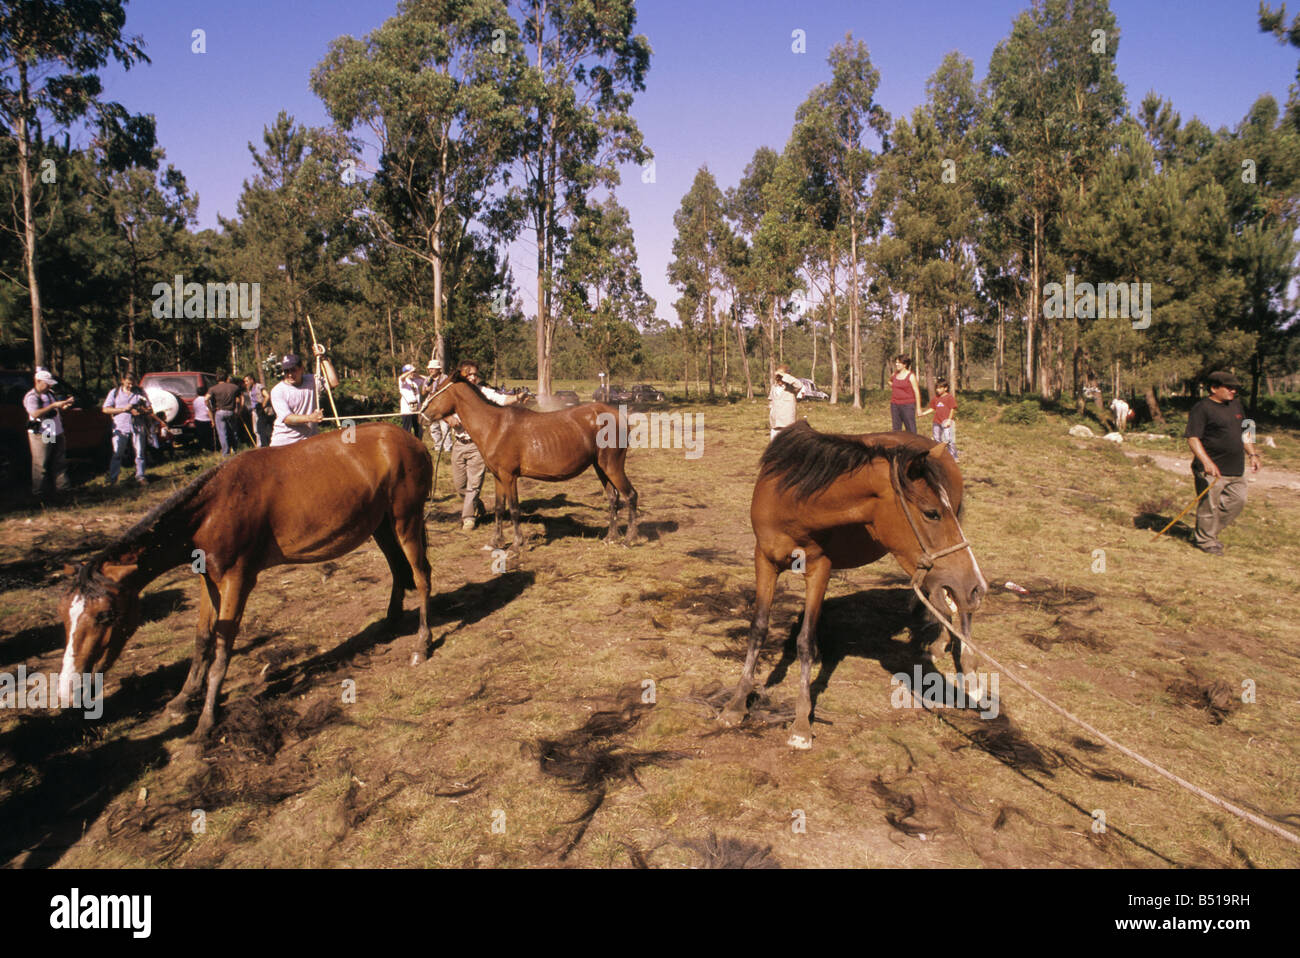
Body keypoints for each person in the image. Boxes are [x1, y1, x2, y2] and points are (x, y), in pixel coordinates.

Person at [1184, 370, 1260, 556]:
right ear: (1213, 388)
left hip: (1235, 468)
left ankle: (1205, 533)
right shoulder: (1202, 408)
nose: (1233, 391)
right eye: (1229, 387)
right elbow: (1193, 438)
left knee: (1237, 501)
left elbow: (1247, 429)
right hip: (1211, 469)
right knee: (1208, 505)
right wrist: (1207, 462)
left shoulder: (1236, 405)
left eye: (1235, 388)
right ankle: (1206, 541)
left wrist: (1253, 454)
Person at [447, 361, 525, 531]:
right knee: (460, 485)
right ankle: (477, 505)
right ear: (462, 375)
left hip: (478, 445)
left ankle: (468, 518)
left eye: (475, 374)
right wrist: (448, 419)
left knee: (474, 484)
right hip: (459, 444)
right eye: (469, 375)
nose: (473, 378)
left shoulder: (482, 392)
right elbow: (442, 408)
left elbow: (502, 399)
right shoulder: (455, 394)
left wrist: (518, 397)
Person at [24, 367, 73, 499]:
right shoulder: (31, 397)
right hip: (41, 432)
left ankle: (63, 490)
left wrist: (64, 405)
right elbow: (34, 413)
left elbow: (54, 410)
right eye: (47, 383)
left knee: (58, 461)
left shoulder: (50, 394)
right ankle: (39, 494)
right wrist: (53, 406)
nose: (49, 386)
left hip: (54, 429)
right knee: (41, 464)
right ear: (38, 381)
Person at [102, 370, 153, 485]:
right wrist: (123, 409)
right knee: (117, 453)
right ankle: (113, 479)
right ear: (122, 381)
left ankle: (140, 476)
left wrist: (140, 410)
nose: (130, 386)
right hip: (120, 426)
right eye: (128, 384)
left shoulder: (140, 392)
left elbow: (149, 409)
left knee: (140, 452)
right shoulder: (114, 392)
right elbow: (105, 409)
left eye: (132, 384)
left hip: (138, 426)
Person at [270, 354, 323, 446]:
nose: (290, 375)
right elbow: (287, 419)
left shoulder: (312, 380)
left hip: (308, 442)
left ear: (302, 369)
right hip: (284, 443)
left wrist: (323, 357)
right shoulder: (278, 390)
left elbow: (333, 381)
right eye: (286, 371)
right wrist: (310, 418)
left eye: (293, 370)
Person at [920, 377, 958, 461]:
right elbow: (933, 408)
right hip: (936, 422)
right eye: (937, 388)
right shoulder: (936, 398)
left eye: (940, 388)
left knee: (949, 440)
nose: (938, 390)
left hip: (946, 422)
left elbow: (952, 408)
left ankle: (954, 457)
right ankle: (940, 455)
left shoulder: (949, 397)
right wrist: (923, 413)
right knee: (937, 439)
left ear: (945, 388)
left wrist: (949, 420)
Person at [207, 372, 244, 457]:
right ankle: (235, 450)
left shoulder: (213, 388)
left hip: (220, 411)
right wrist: (239, 410)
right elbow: (241, 398)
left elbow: (206, 399)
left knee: (222, 433)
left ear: (217, 379)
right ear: (226, 378)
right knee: (234, 432)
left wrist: (211, 408)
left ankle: (226, 453)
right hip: (231, 411)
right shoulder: (234, 387)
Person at [423, 358, 452, 451]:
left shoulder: (444, 378)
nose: (430, 370)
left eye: (433, 368)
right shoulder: (428, 379)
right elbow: (423, 392)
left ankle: (448, 448)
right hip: (432, 406)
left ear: (439, 369)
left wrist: (432, 389)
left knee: (445, 428)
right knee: (434, 428)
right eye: (429, 369)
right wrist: (428, 387)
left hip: (442, 406)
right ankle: (438, 447)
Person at [889, 355, 922, 433]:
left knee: (910, 428)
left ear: (905, 364)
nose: (896, 364)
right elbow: (890, 381)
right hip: (895, 405)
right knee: (896, 429)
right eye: (896, 362)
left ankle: (913, 444)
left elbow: (916, 392)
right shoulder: (894, 374)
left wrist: (918, 408)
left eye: (899, 363)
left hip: (908, 405)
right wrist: (895, 387)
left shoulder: (911, 376)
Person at [769, 364, 799, 440]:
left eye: (780, 375)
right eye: (777, 375)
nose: (778, 377)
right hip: (775, 424)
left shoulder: (792, 387)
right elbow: (771, 401)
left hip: (787, 425)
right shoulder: (774, 387)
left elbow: (799, 385)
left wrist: (784, 375)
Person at [243, 373, 272, 448]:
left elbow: (267, 396)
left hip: (262, 411)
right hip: (255, 410)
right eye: (245, 381)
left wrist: (262, 406)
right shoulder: (250, 389)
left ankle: (265, 445)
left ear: (252, 380)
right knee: (256, 430)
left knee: (262, 429)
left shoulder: (259, 386)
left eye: (247, 381)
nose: (246, 383)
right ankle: (260, 445)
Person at [398, 364, 425, 438]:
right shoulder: (403, 382)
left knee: (418, 429)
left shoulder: (415, 381)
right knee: (407, 430)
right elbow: (401, 377)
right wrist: (409, 372)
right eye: (411, 372)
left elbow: (426, 379)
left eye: (414, 372)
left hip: (417, 409)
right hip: (407, 410)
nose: (412, 373)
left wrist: (417, 375)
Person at [193, 384, 214, 451]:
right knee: (209, 436)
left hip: (198, 419)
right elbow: (209, 411)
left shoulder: (195, 401)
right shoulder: (207, 400)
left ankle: (202, 448)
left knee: (200, 436)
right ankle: (210, 448)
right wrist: (212, 420)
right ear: (205, 392)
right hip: (206, 420)